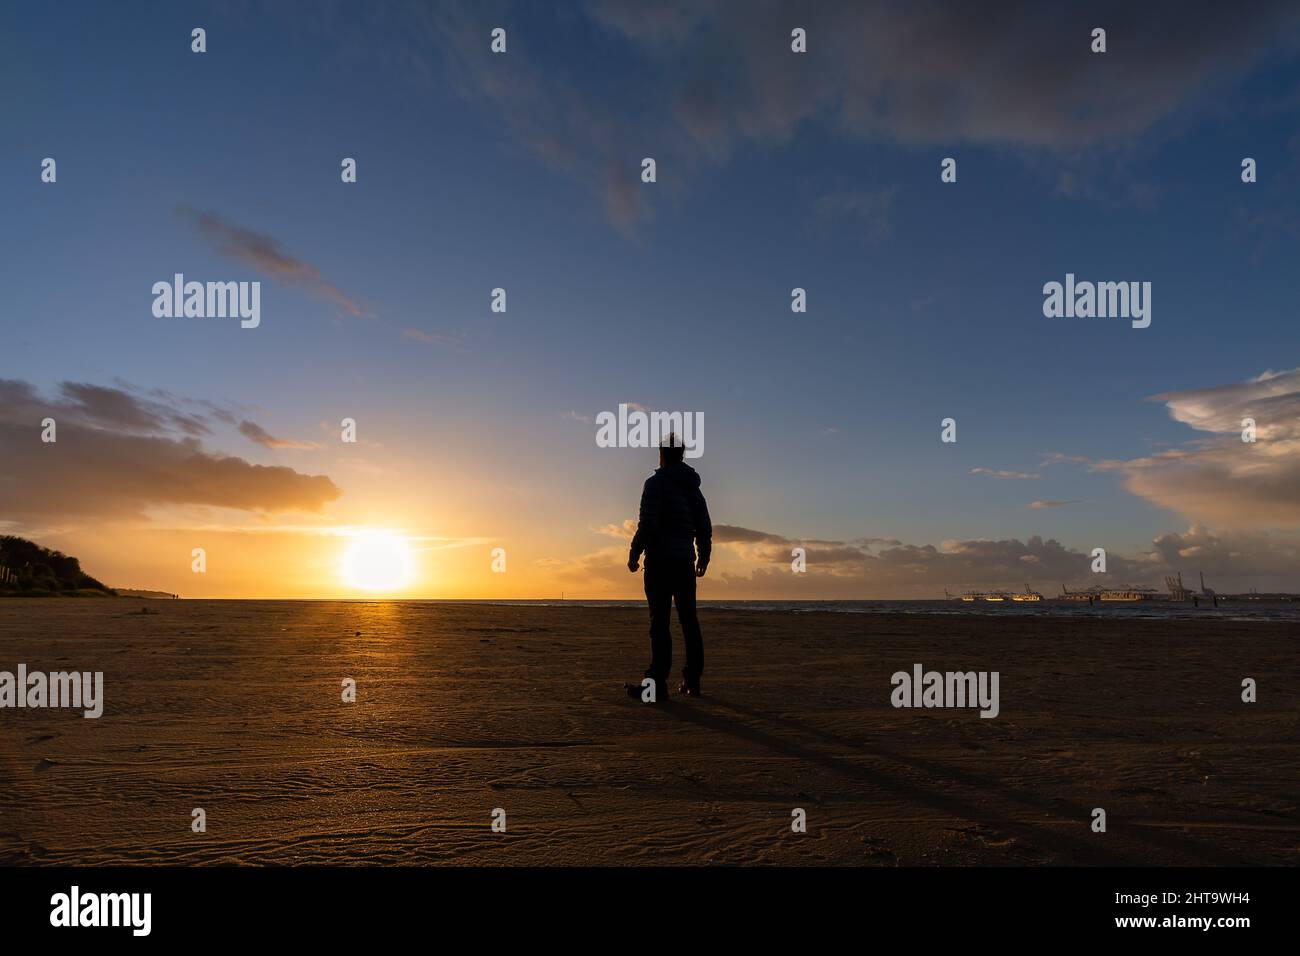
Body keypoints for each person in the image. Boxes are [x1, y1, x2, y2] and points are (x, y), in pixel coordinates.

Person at [625, 434, 712, 701]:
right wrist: (703, 556)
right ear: (682, 455)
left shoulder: (655, 484)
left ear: (662, 454)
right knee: (688, 621)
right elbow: (704, 526)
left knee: (659, 623)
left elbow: (647, 523)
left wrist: (634, 552)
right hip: (684, 561)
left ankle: (656, 686)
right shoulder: (693, 489)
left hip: (661, 562)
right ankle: (692, 680)